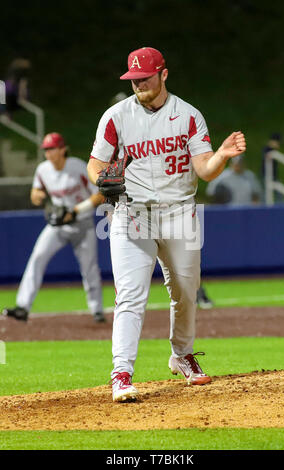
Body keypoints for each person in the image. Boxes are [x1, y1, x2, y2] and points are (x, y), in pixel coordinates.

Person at [87, 47, 246, 402]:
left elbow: (204, 169)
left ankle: (182, 355)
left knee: (187, 291)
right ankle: (122, 372)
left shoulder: (188, 115)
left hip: (180, 212)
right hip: (133, 214)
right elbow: (95, 163)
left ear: (163, 74)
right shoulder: (116, 116)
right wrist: (101, 180)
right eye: (134, 79)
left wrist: (220, 155)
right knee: (130, 294)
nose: (139, 84)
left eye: (145, 78)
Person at [2, 132, 106, 323]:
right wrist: (37, 195)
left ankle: (97, 310)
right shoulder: (43, 170)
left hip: (82, 224)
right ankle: (23, 307)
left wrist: (75, 211)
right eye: (46, 150)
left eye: (52, 149)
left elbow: (99, 195)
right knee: (37, 257)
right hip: (58, 225)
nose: (48, 153)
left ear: (62, 149)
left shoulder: (77, 167)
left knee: (89, 268)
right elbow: (36, 190)